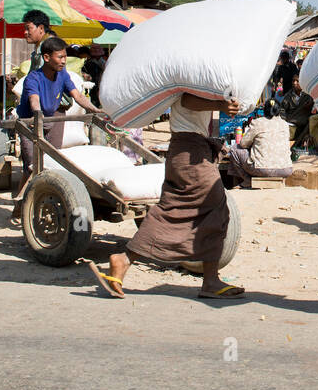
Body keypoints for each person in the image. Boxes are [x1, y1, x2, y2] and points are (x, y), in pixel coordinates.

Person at [89, 93, 245, 300]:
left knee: (191, 210)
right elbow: (187, 100)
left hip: (188, 149)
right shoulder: (191, 79)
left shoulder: (203, 78)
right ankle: (125, 259)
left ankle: (210, 280)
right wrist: (220, 105)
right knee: (206, 209)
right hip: (190, 152)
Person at [13, 37, 104, 218]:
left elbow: (77, 95)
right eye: (59, 57)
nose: (63, 60)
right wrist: (38, 115)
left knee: (53, 164)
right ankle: (20, 204)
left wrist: (95, 110)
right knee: (32, 167)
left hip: (53, 119)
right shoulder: (33, 78)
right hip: (29, 122)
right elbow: (34, 99)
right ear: (47, 58)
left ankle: (43, 203)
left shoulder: (63, 75)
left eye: (64, 57)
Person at [226, 107, 293, 180]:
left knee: (235, 150)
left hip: (262, 169)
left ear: (264, 111)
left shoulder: (258, 122)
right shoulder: (284, 124)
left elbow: (243, 144)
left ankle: (247, 180)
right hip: (286, 169)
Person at [280, 76, 314, 145]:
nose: (295, 83)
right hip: (291, 123)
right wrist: (284, 121)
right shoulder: (288, 96)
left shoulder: (308, 95)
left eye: (297, 81)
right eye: (293, 81)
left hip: (304, 124)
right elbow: (281, 110)